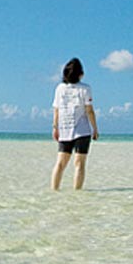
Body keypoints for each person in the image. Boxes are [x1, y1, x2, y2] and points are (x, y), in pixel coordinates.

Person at [51, 58, 98, 191]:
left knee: (60, 163)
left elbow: (56, 110)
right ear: (80, 74)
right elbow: (89, 110)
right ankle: (77, 195)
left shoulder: (60, 88)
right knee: (79, 164)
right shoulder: (85, 89)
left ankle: (54, 192)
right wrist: (95, 128)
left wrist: (55, 127)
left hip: (64, 129)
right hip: (82, 131)